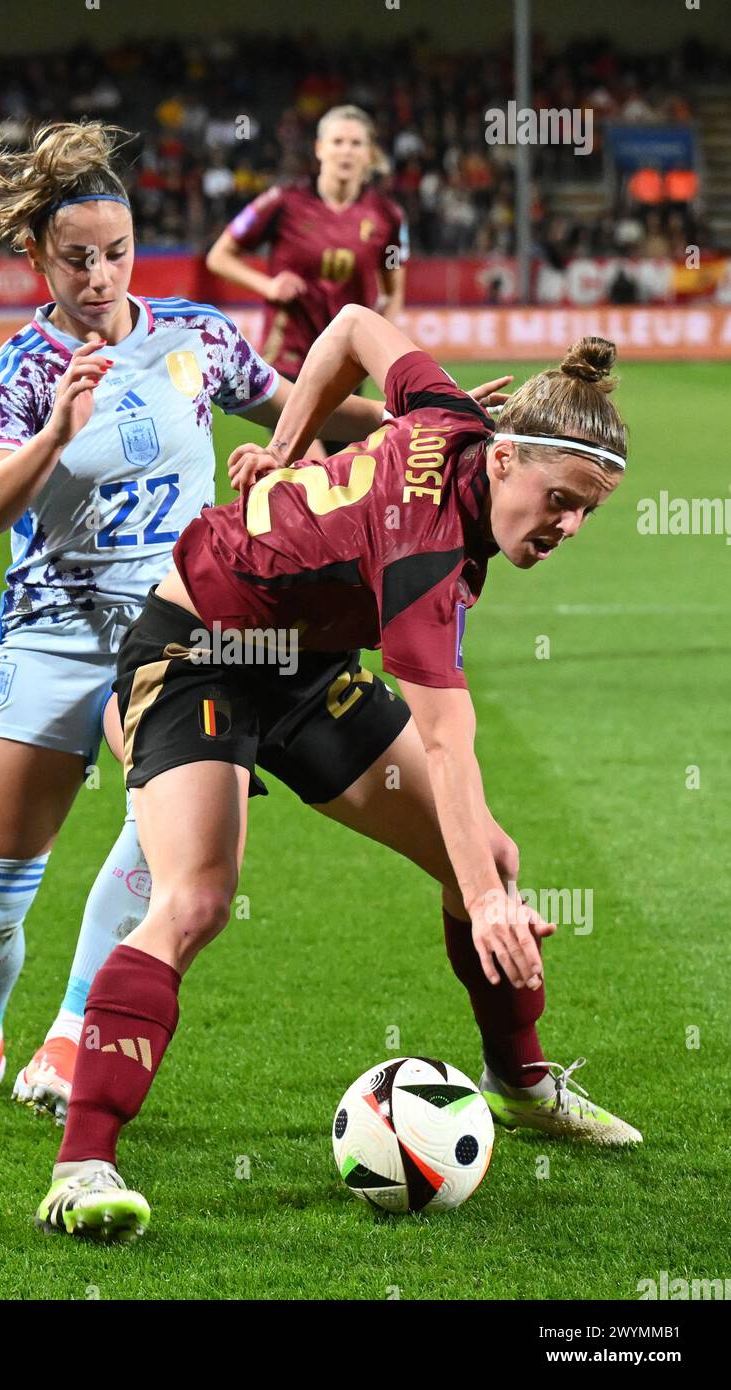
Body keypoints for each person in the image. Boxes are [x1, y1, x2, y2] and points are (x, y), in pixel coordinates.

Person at [0, 93, 394, 1112]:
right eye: (76, 259)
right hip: (46, 641)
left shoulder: (194, 337)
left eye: (117, 254)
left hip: (170, 632)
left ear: (136, 249)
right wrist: (53, 433)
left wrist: (417, 408)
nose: (99, 279)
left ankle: (70, 1027)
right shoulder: (21, 369)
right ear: (41, 261)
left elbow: (295, 406)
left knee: (167, 822)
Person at [34, 308, 642, 1242]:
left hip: (305, 669)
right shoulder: (428, 553)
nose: (568, 525)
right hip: (197, 651)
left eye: (586, 512)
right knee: (197, 896)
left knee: (491, 857)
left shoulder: (451, 413)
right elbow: (448, 743)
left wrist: (284, 451)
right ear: (508, 459)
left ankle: (519, 1083)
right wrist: (483, 905)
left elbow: (357, 326)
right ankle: (82, 1165)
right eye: (561, 497)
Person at [205, 105, 407, 455]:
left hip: (346, 367)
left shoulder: (386, 217)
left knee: (345, 482)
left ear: (369, 153)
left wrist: (382, 357)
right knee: (306, 470)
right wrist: (268, 286)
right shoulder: (284, 202)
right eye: (338, 141)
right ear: (319, 148)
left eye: (356, 143)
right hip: (289, 361)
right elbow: (219, 256)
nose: (346, 150)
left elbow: (394, 292)